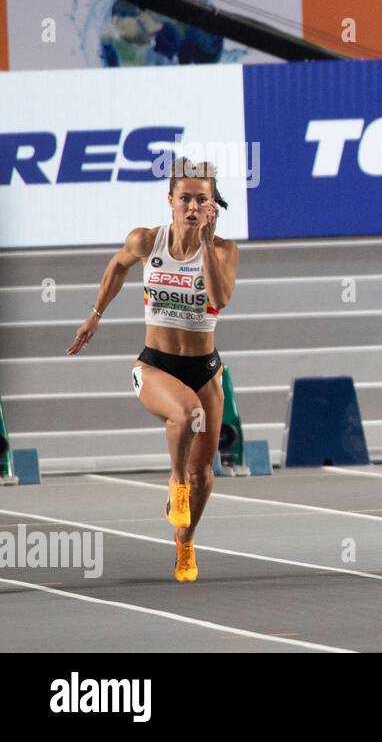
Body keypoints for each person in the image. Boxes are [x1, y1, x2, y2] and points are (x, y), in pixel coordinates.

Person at [66, 159, 239, 582]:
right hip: (156, 365)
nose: (194, 207)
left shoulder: (222, 250)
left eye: (203, 199)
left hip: (205, 368)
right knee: (185, 413)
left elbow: (220, 299)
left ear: (212, 205)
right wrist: (95, 314)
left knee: (206, 474)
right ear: (171, 201)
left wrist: (208, 245)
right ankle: (174, 480)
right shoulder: (147, 240)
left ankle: (185, 540)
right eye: (186, 199)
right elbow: (117, 266)